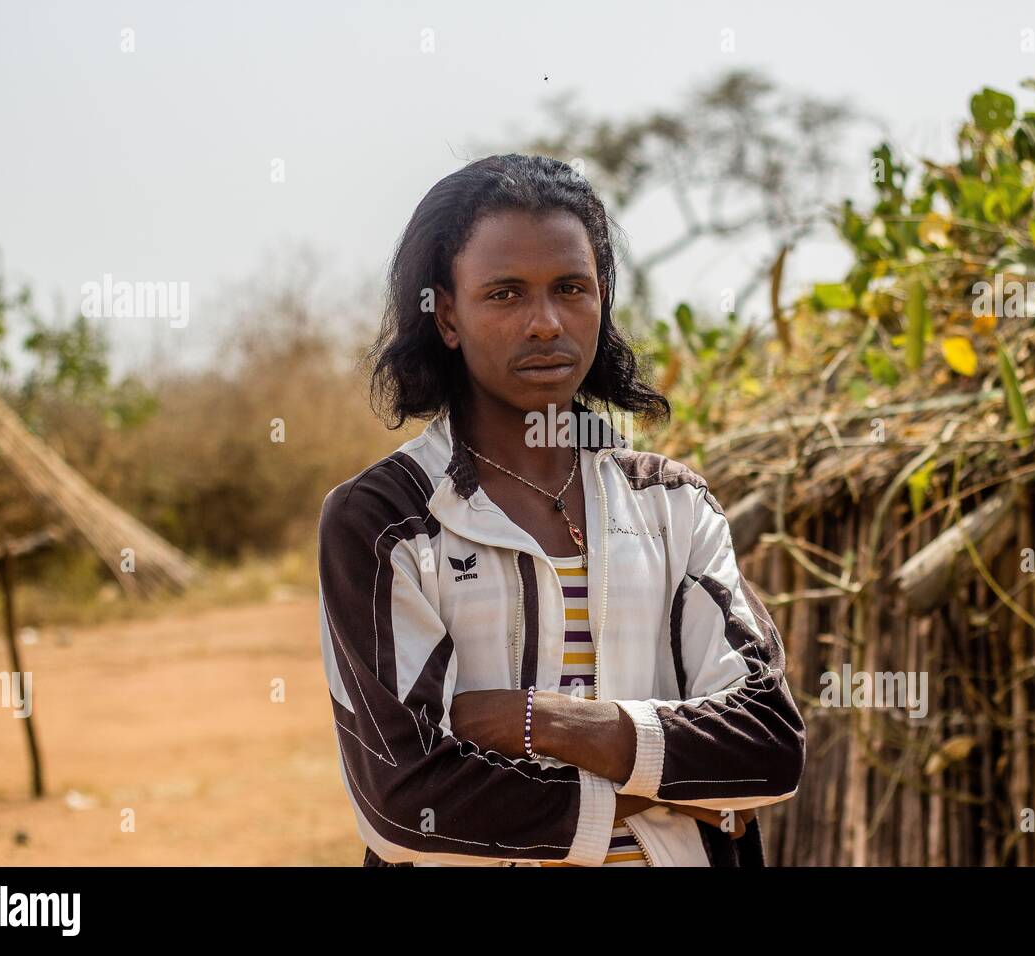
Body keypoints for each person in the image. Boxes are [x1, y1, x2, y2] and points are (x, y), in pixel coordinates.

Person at [317, 153, 806, 866]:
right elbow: (407, 800)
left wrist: (541, 721)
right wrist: (676, 780)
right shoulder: (385, 521)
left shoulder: (672, 503)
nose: (546, 322)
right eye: (505, 294)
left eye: (571, 288)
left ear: (602, 297)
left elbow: (767, 746)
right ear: (446, 314)